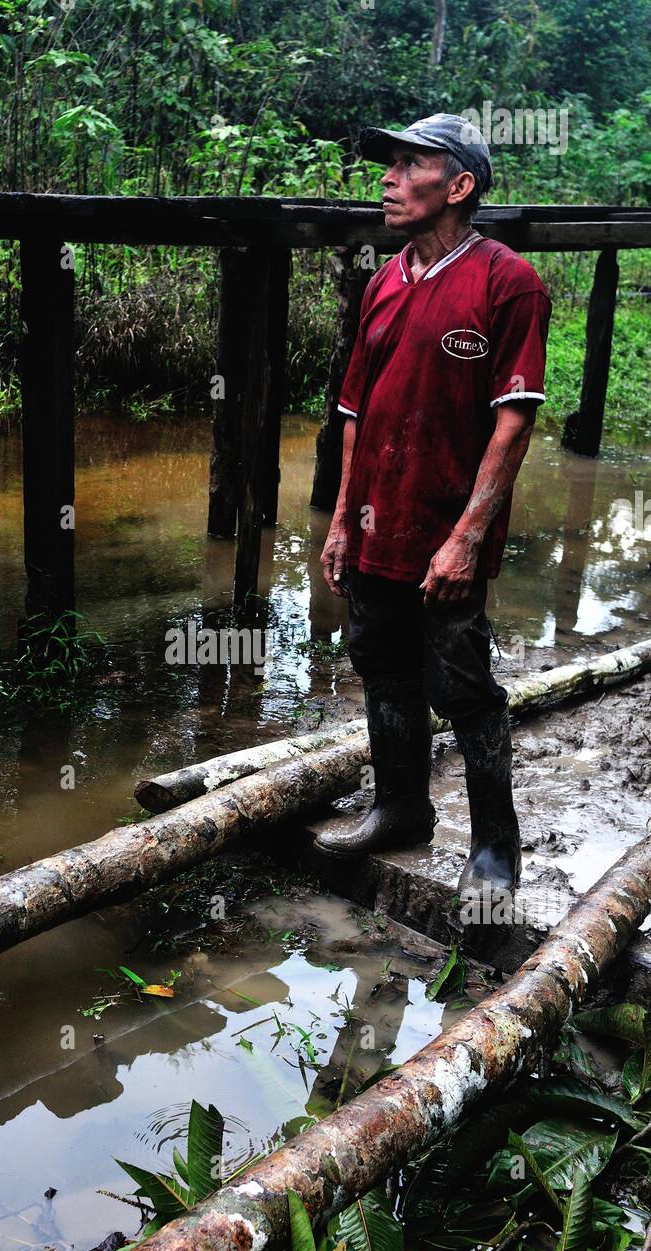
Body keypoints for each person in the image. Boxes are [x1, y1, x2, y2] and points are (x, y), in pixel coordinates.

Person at [316, 113, 551, 899]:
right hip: (377, 526)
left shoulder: (506, 281)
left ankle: (493, 850)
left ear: (458, 186)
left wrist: (464, 538)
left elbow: (513, 420)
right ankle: (399, 810)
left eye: (408, 164)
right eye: (386, 163)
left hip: (446, 532)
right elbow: (353, 411)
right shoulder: (384, 281)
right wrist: (343, 519)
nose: (386, 177)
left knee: (464, 686)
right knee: (380, 666)